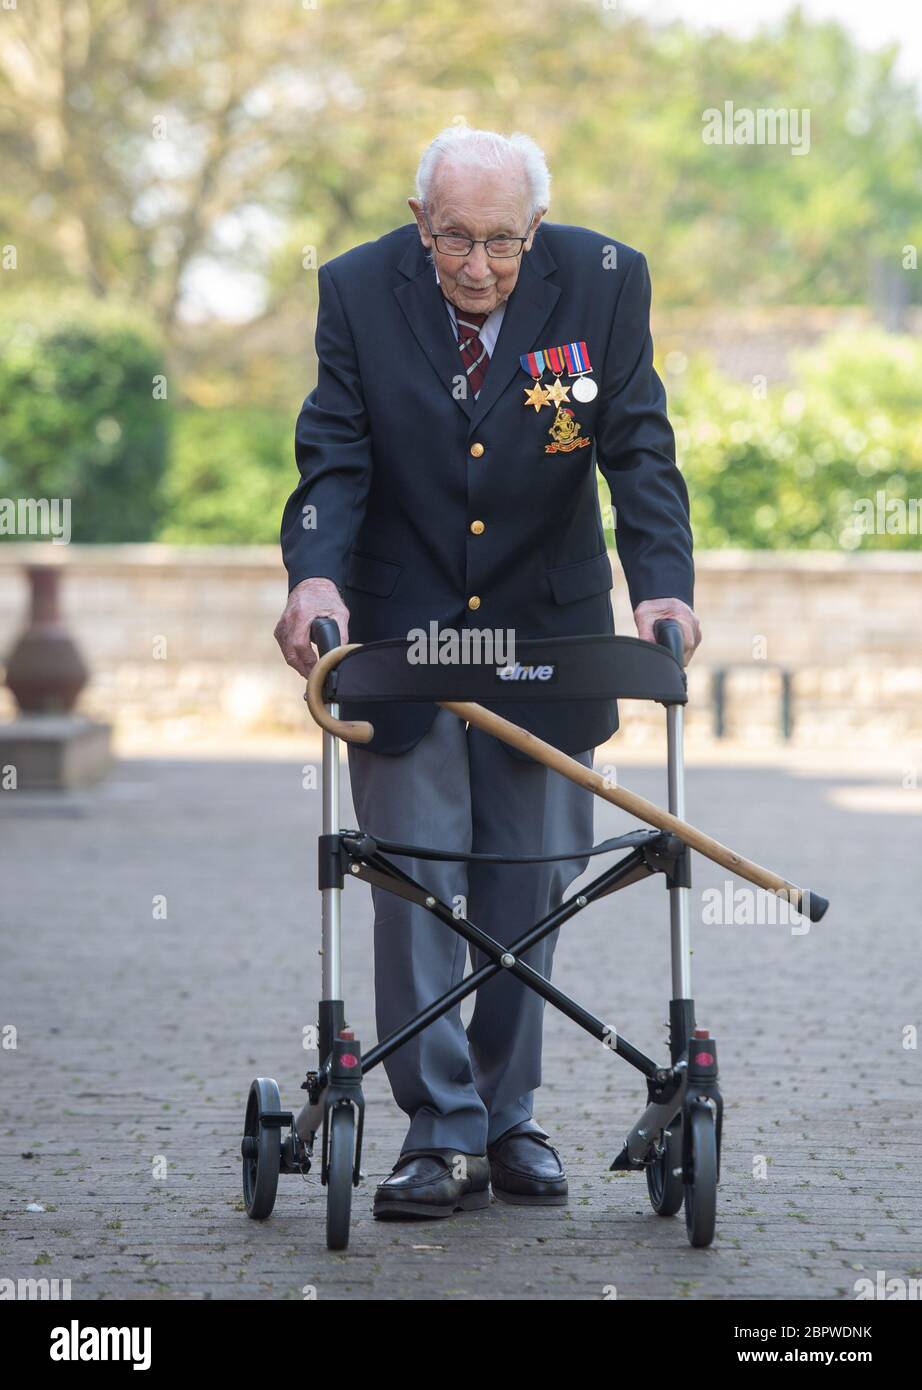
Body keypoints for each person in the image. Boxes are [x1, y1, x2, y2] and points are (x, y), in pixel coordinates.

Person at [274, 125, 701, 1219]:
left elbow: (637, 446)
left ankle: (508, 1118)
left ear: (536, 227)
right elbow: (334, 452)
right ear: (419, 222)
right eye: (452, 238)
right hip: (404, 635)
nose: (476, 265)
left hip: (545, 632)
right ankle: (438, 1132)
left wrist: (660, 585)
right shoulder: (358, 289)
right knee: (419, 879)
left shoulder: (605, 282)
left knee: (529, 880)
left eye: (501, 242)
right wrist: (315, 580)